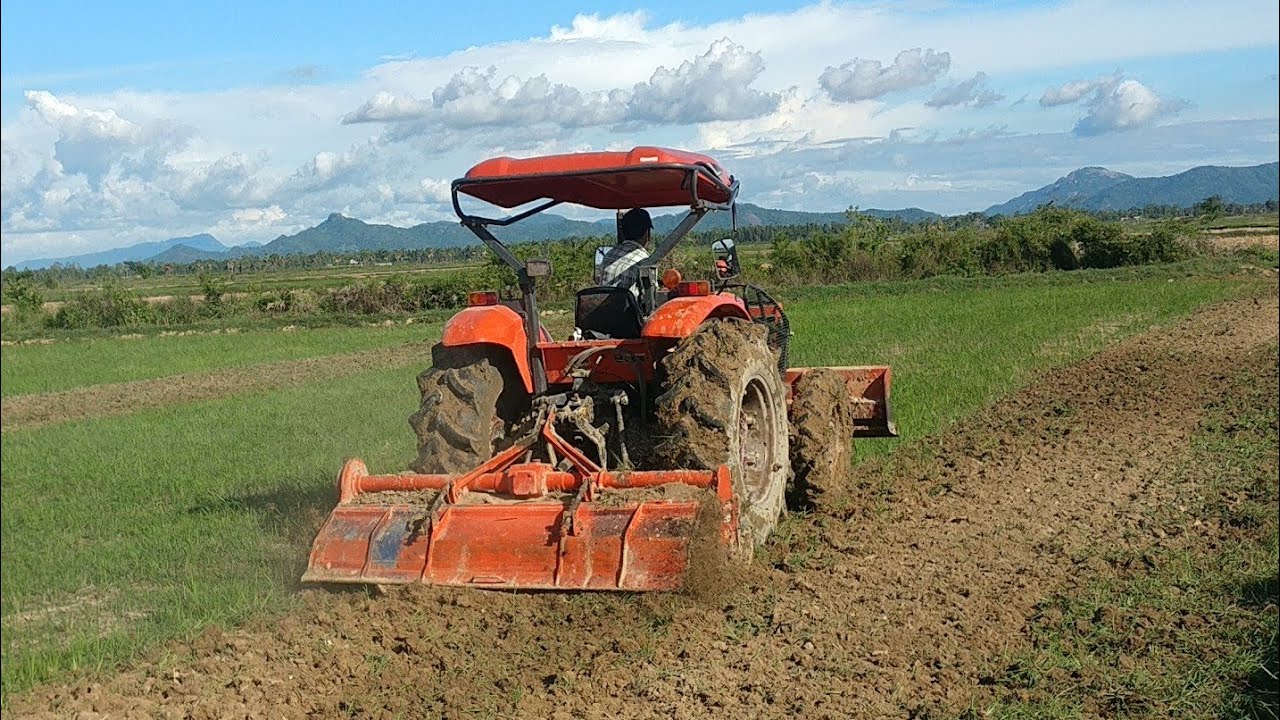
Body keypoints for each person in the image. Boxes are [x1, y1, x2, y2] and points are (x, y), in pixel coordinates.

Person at [598, 208, 652, 295]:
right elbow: (651, 296)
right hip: (630, 309)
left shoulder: (608, 255)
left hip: (605, 308)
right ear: (646, 233)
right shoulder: (645, 260)